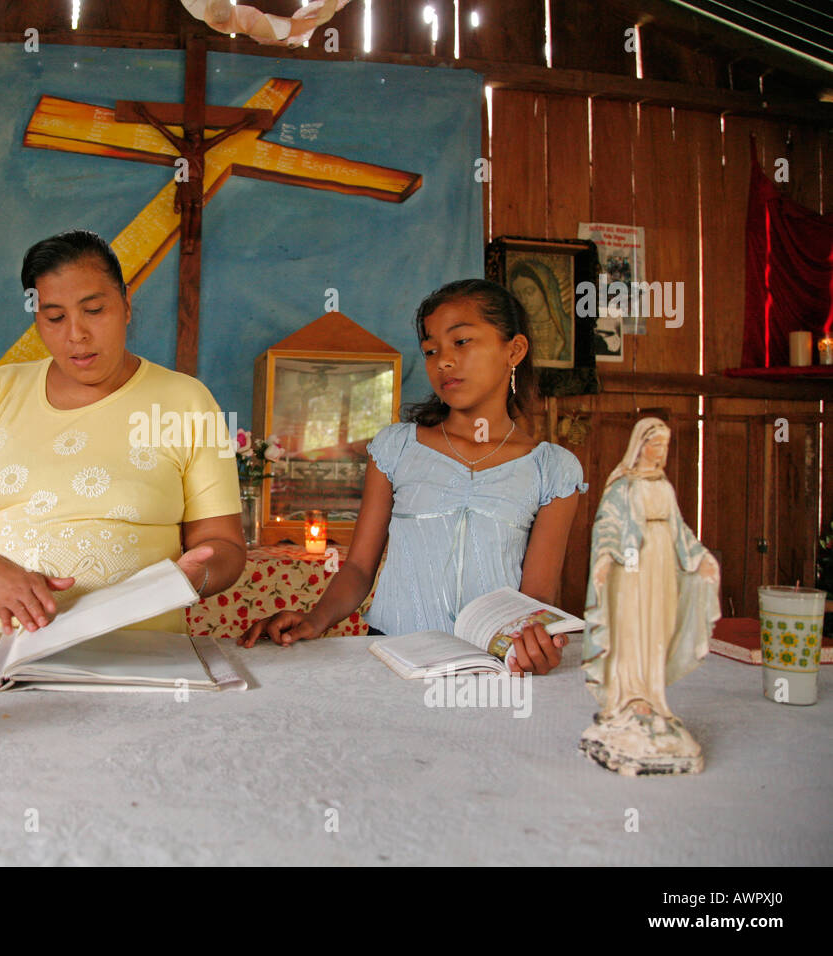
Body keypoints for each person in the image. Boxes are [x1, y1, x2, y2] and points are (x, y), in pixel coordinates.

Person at [0, 229, 244, 634]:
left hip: (135, 654)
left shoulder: (187, 400)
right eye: (55, 317)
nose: (76, 334)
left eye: (94, 310)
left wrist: (190, 578)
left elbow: (224, 545)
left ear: (126, 304)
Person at [238, 278, 586, 674]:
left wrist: (533, 644)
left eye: (462, 342)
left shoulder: (551, 469)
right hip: (393, 658)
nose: (443, 361)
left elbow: (536, 595)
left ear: (515, 350)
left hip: (490, 667)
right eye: (431, 350)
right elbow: (358, 567)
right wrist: (316, 618)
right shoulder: (397, 448)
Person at [582, 418, 719, 723]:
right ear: (640, 445)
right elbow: (607, 524)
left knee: (658, 626)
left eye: (664, 445)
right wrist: (605, 558)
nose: (660, 451)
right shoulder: (623, 485)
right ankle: (629, 694)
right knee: (631, 627)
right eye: (655, 444)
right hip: (632, 565)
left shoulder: (663, 485)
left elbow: (679, 529)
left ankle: (652, 693)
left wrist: (701, 557)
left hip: (661, 563)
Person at [508, 260, 570, 364]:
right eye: (518, 295)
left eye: (529, 292)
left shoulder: (567, 328)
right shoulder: (514, 330)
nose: (524, 300)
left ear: (546, 291)